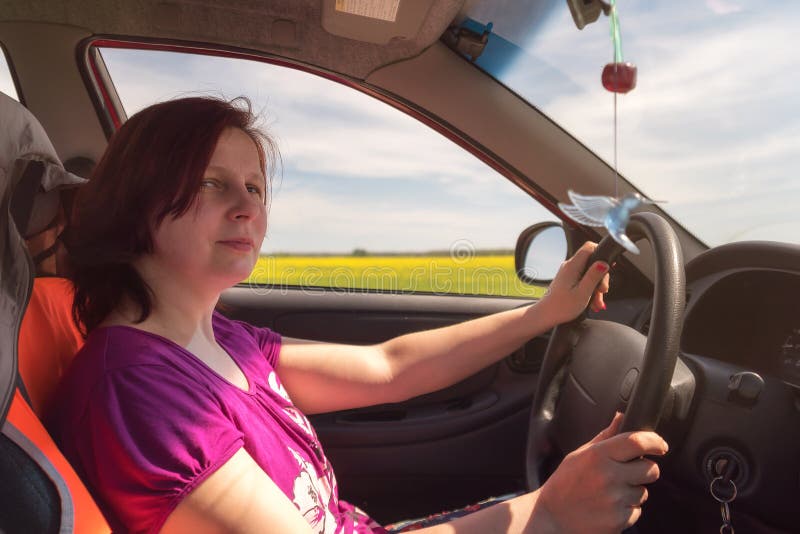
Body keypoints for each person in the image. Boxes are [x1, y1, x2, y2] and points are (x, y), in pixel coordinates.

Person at [49, 96, 668, 534]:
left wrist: (544, 314)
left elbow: (387, 367)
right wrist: (551, 514)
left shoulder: (224, 340)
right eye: (212, 184)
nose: (247, 208)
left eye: (256, 187)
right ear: (136, 199)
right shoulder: (135, 386)